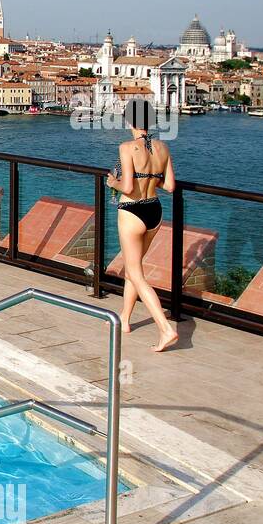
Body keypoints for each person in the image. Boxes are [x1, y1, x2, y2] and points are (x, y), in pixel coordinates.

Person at [106, 98, 178, 352]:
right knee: (132, 266)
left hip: (132, 211)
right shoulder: (163, 147)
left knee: (136, 272)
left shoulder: (127, 147)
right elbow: (169, 186)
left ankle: (165, 328)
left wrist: (112, 183)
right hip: (154, 211)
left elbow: (126, 187)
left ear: (129, 121)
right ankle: (125, 319)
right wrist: (149, 178)